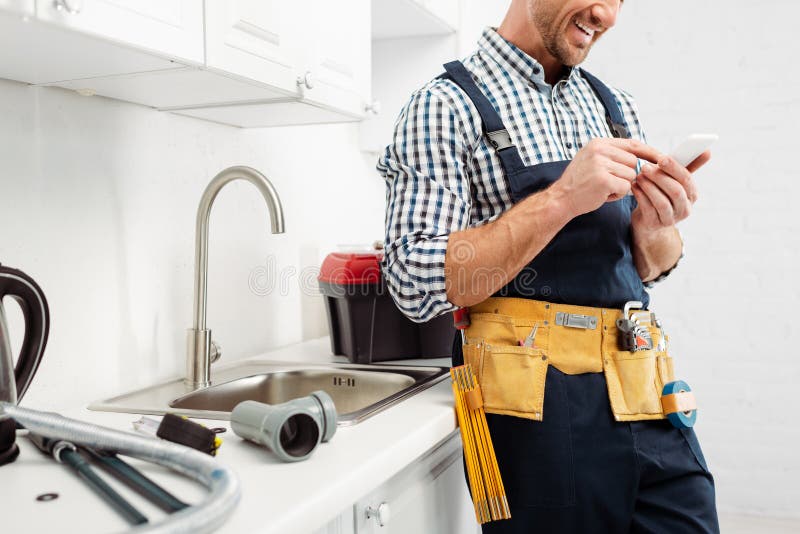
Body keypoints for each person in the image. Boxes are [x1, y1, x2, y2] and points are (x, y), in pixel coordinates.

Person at [377, 0, 719, 532]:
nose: (605, 13)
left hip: (644, 391)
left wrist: (656, 226)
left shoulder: (614, 106)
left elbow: (653, 269)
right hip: (535, 413)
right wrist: (562, 199)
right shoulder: (444, 106)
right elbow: (413, 280)